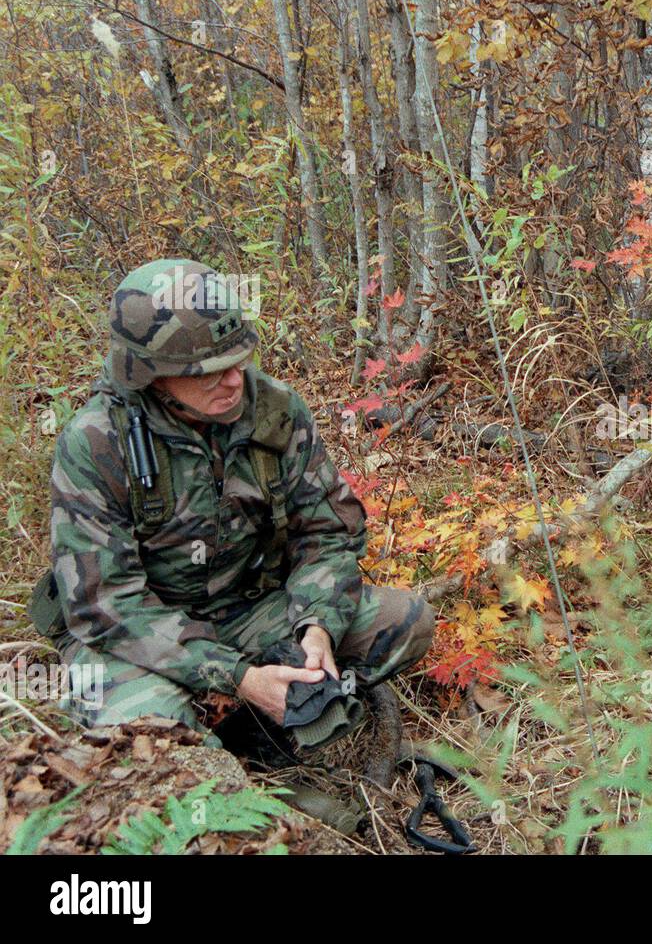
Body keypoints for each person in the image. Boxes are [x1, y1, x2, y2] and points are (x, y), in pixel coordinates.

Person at [29, 259, 434, 750]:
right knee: (153, 735)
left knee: (404, 623)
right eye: (209, 373)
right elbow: (106, 606)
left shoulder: (274, 411)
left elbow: (326, 534)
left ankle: (256, 724)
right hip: (136, 639)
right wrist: (236, 675)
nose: (234, 381)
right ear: (153, 377)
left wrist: (317, 628)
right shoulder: (97, 443)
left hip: (245, 610)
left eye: (239, 360)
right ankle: (217, 724)